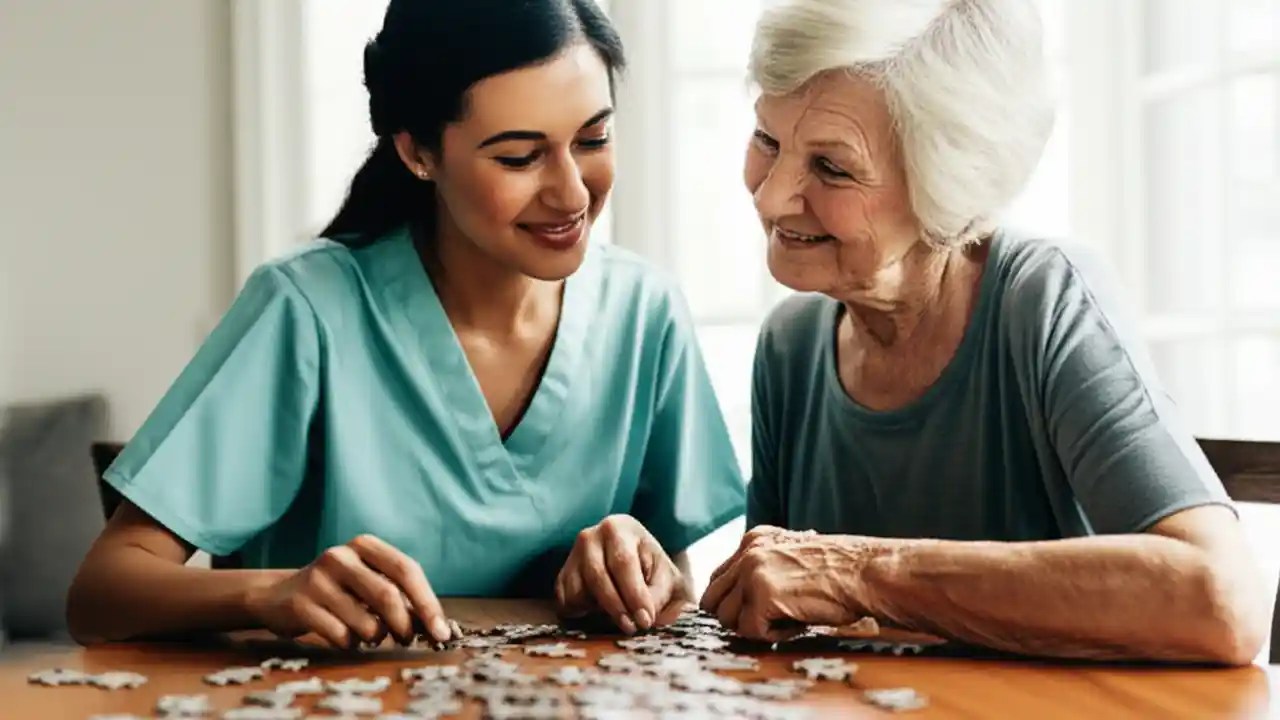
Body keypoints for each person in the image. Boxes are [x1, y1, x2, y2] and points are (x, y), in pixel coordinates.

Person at [67, 0, 745, 648]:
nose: (572, 191)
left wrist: (629, 571)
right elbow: (101, 593)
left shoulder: (644, 312)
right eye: (518, 157)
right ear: (418, 151)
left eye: (593, 138)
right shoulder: (306, 310)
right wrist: (269, 595)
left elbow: (672, 600)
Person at [700, 0, 1267, 664]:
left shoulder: (1045, 297)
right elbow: (771, 615)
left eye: (831, 167)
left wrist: (862, 572)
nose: (769, 196)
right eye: (767, 139)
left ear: (948, 185)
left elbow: (1221, 601)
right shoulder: (790, 346)